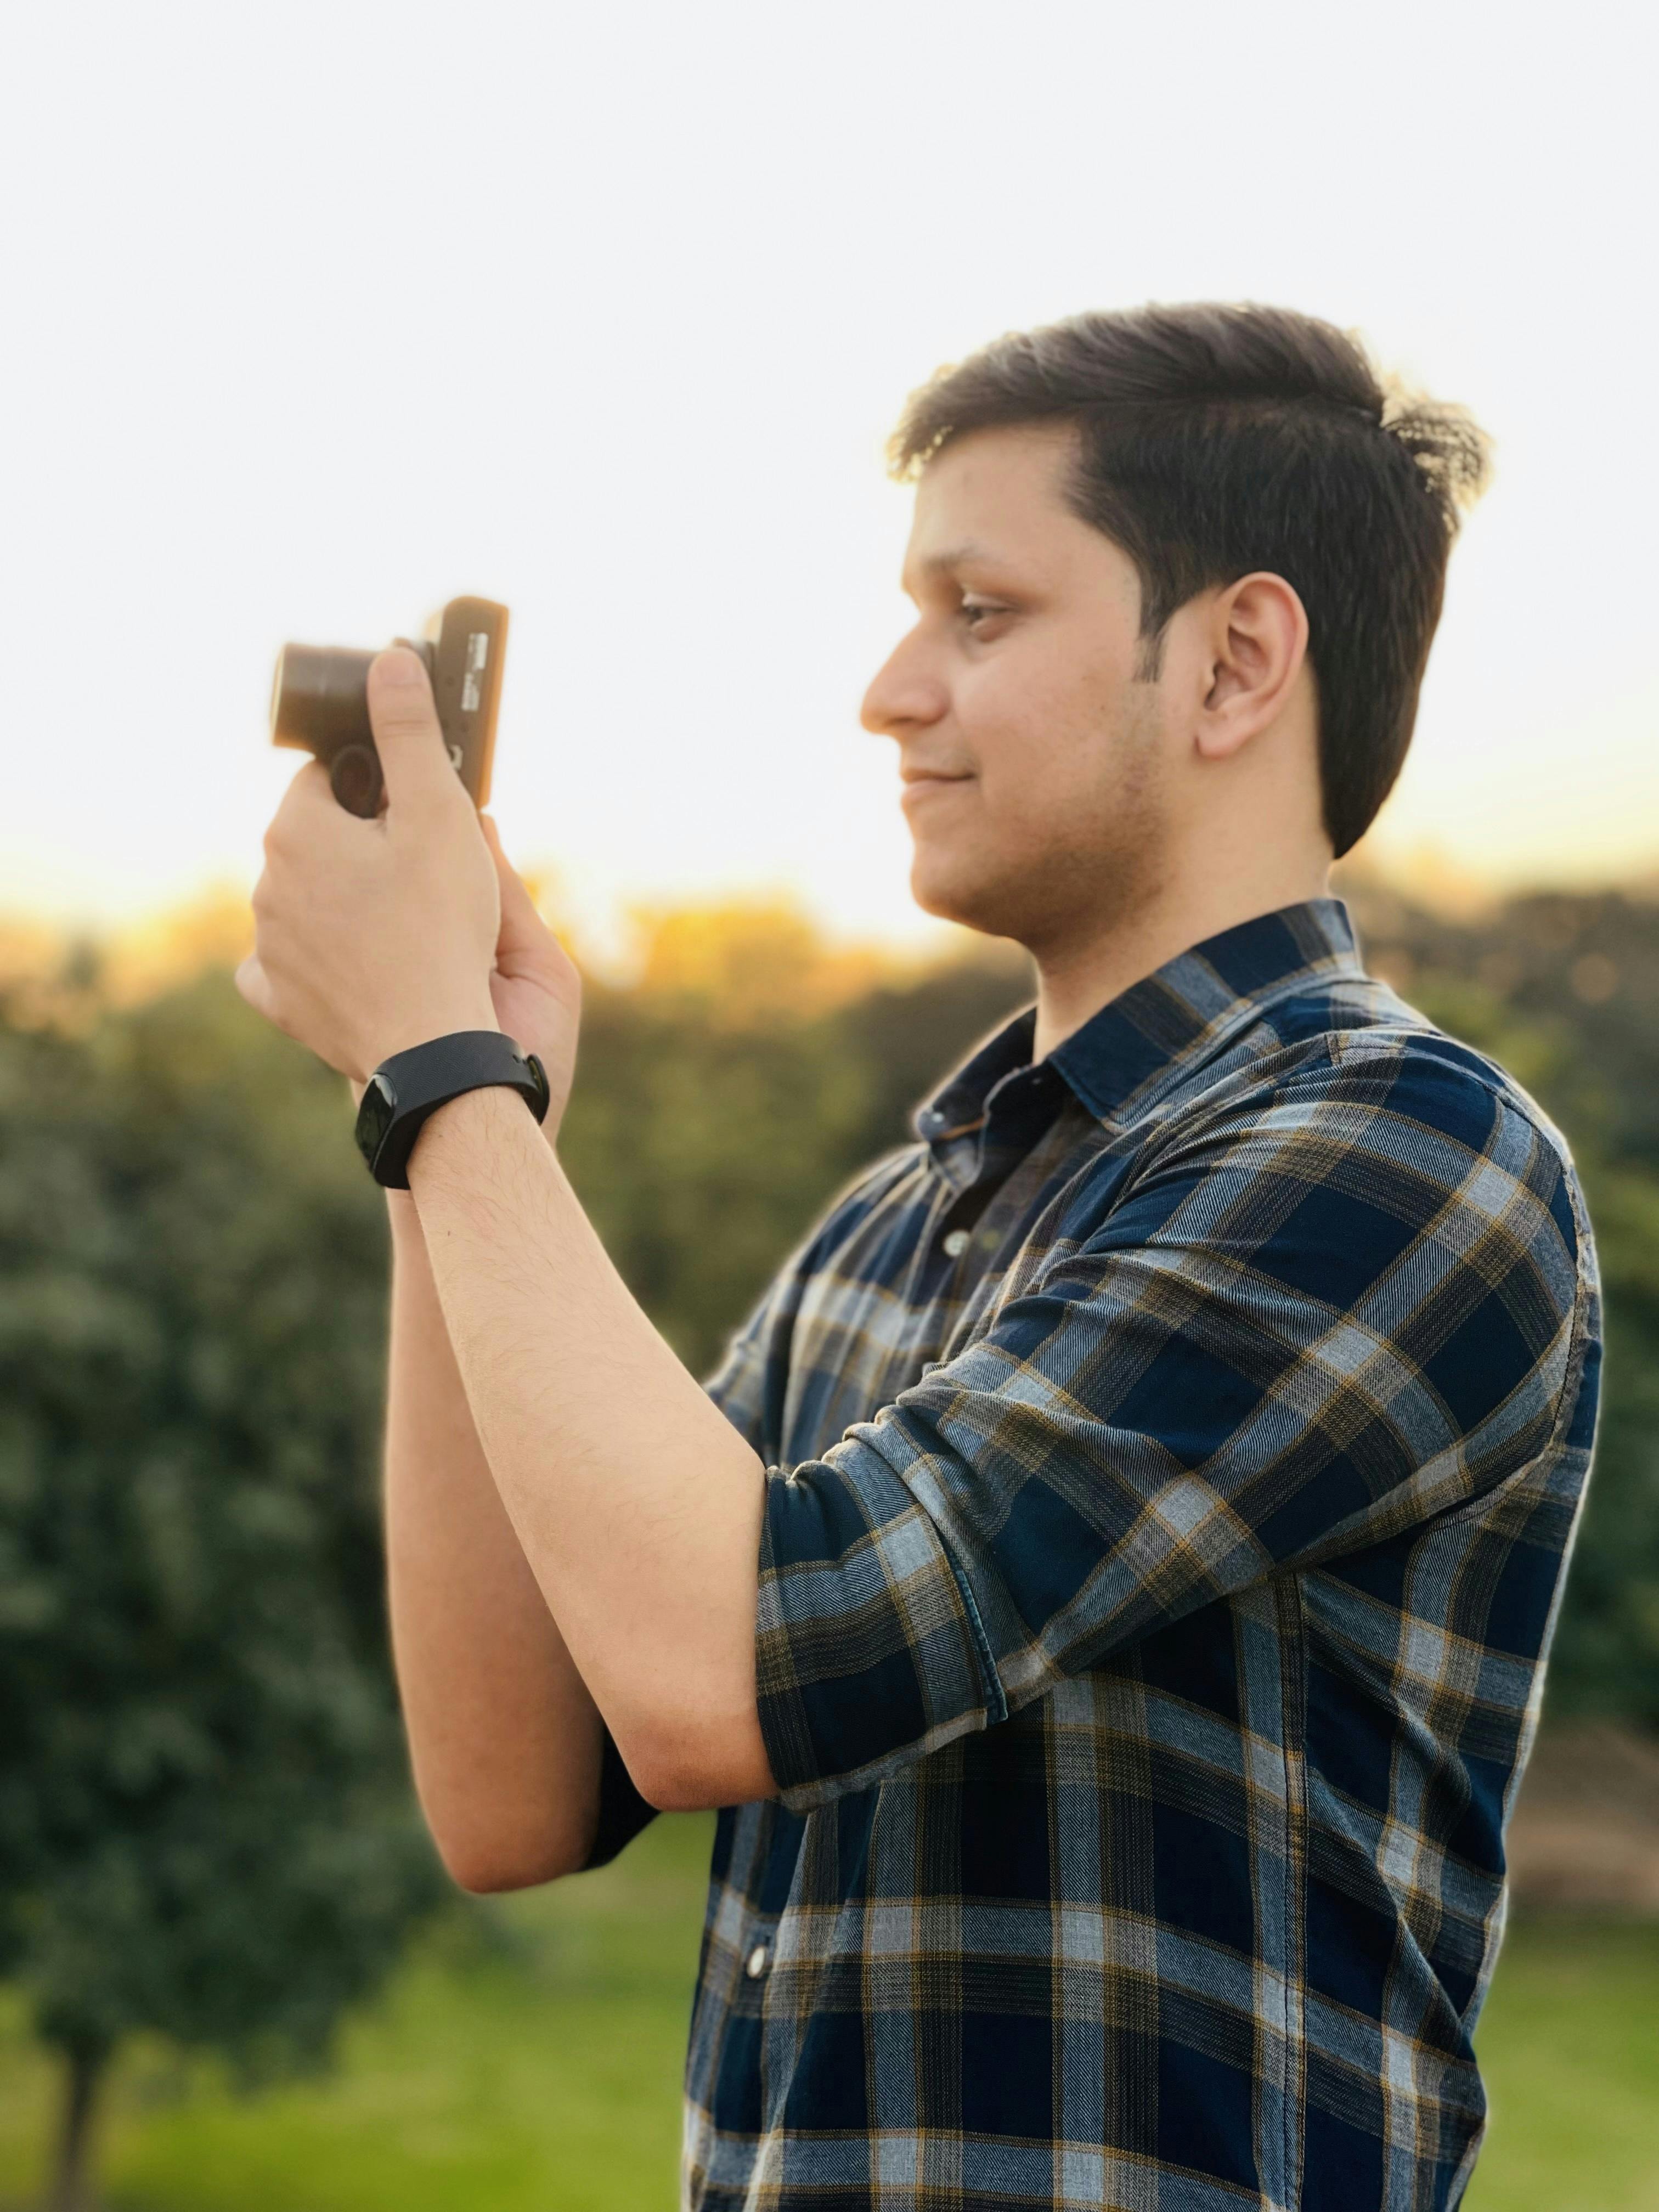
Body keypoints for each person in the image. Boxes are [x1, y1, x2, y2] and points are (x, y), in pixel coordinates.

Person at [239, 303, 1601, 2212]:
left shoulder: (1403, 1160)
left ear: (1235, 661)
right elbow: (517, 1778)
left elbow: (734, 1663)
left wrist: (434, 1079)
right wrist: (455, 1130)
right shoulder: (895, 1224)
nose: (891, 690)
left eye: (980, 613)